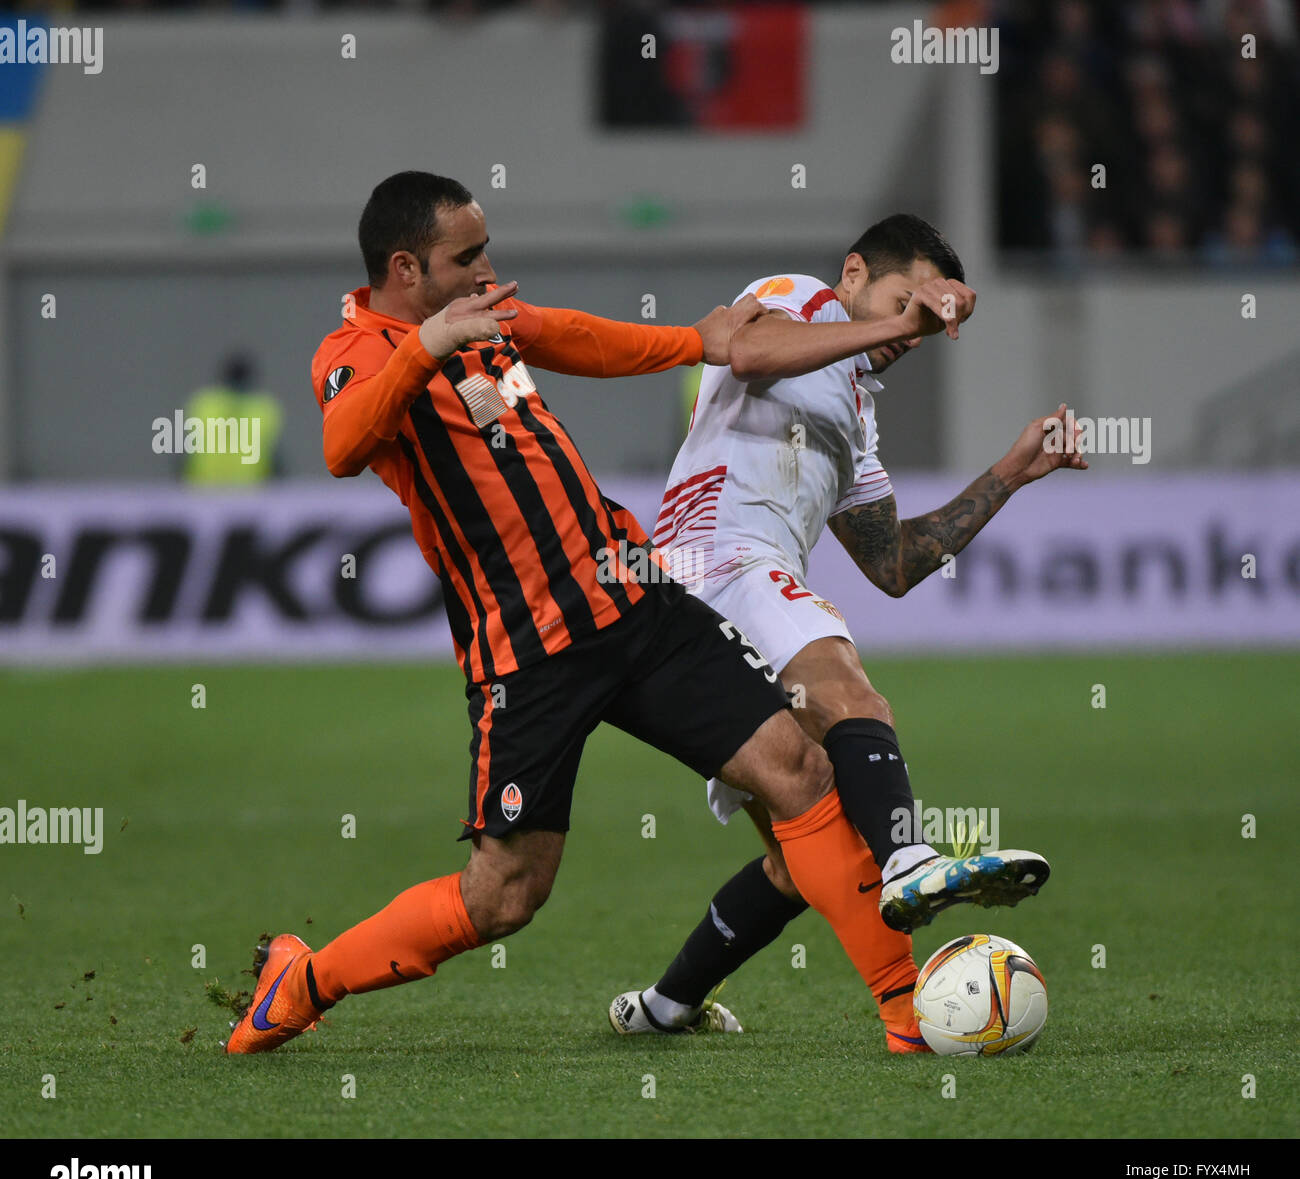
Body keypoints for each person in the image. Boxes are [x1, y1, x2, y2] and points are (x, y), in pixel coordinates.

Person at [225, 177, 1045, 1053]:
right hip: (528, 646)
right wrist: (425, 345)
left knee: (798, 769)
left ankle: (904, 1012)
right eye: (467, 256)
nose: (487, 269)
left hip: (633, 597)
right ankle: (302, 982)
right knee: (506, 895)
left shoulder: (486, 313)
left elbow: (580, 338)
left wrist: (697, 340)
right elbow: (344, 443)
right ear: (404, 267)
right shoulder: (355, 350)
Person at [610, 215, 1083, 1051]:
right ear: (857, 274)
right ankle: (910, 860)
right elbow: (747, 353)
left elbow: (895, 563)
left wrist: (1012, 472)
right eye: (909, 302)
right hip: (718, 555)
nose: (916, 331)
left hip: (700, 593)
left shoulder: (853, 416)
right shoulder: (803, 300)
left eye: (928, 322)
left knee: (803, 856)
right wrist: (899, 318)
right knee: (850, 693)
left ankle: (666, 1005)